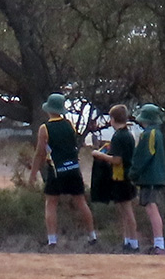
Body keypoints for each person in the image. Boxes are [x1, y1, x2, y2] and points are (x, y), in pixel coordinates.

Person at [27, 92, 98, 249]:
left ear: (48, 109)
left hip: (56, 170)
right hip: (73, 168)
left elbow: (39, 153)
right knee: (81, 201)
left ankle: (52, 240)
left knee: (51, 203)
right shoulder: (69, 125)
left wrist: (33, 174)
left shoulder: (45, 128)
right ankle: (92, 235)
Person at [90, 104, 140, 252]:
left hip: (122, 176)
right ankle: (127, 240)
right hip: (124, 176)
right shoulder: (127, 134)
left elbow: (117, 160)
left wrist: (100, 155)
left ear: (112, 119)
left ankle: (134, 243)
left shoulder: (119, 136)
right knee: (123, 210)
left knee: (127, 211)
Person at [130, 102, 165, 255]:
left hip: (150, 177)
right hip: (154, 176)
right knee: (151, 207)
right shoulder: (156, 133)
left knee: (151, 207)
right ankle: (158, 243)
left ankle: (159, 244)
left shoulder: (148, 134)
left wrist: (133, 173)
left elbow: (143, 156)